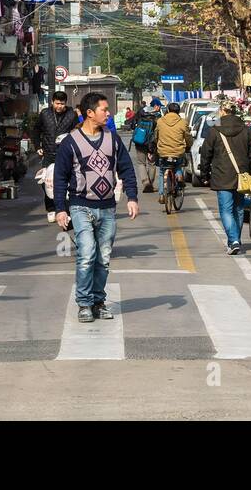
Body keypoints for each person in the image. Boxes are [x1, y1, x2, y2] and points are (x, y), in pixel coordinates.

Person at [54, 92, 140, 322]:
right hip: (80, 206)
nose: (109, 113)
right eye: (104, 109)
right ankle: (84, 303)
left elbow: (127, 169)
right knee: (86, 254)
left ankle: (98, 300)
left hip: (108, 208)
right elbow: (60, 178)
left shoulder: (113, 139)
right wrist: (60, 209)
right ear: (90, 113)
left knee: (104, 257)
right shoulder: (70, 143)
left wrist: (132, 197)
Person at [199, 101, 251, 255]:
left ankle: (234, 241)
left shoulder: (214, 131)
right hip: (242, 176)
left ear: (222, 111)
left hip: (222, 176)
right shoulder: (247, 130)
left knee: (226, 210)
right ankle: (235, 240)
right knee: (238, 209)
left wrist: (204, 174)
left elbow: (206, 154)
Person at [36, 91, 78, 222]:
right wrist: (38, 146)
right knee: (46, 181)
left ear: (66, 103)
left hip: (66, 154)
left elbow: (77, 131)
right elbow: (36, 130)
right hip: (48, 153)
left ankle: (65, 208)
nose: (59, 106)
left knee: (68, 180)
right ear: (52, 102)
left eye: (62, 103)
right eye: (57, 103)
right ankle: (51, 208)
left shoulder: (72, 114)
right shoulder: (45, 114)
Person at [153, 101, 192, 204]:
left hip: (163, 152)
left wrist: (157, 145)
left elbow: (156, 135)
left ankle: (161, 195)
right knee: (178, 167)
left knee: (162, 172)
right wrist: (189, 146)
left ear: (168, 110)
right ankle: (179, 177)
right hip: (178, 152)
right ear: (178, 112)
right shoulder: (183, 122)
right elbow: (188, 137)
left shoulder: (160, 121)